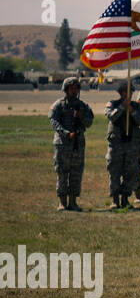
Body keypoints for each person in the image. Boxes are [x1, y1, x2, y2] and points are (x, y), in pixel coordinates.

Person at [49, 76, 93, 211]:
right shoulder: (59, 105)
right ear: (66, 90)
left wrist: (81, 117)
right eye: (71, 89)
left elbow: (89, 121)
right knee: (62, 172)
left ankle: (73, 202)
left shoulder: (83, 106)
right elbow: (53, 121)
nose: (74, 91)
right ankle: (62, 202)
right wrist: (66, 133)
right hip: (63, 144)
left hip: (77, 144)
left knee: (76, 173)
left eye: (76, 88)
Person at [105, 82, 140, 209]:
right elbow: (111, 117)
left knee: (130, 172)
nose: (129, 95)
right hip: (116, 145)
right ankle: (115, 199)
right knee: (114, 172)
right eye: (126, 92)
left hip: (131, 145)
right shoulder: (112, 104)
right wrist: (122, 107)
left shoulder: (136, 106)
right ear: (121, 93)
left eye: (130, 92)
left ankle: (125, 199)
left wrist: (131, 110)